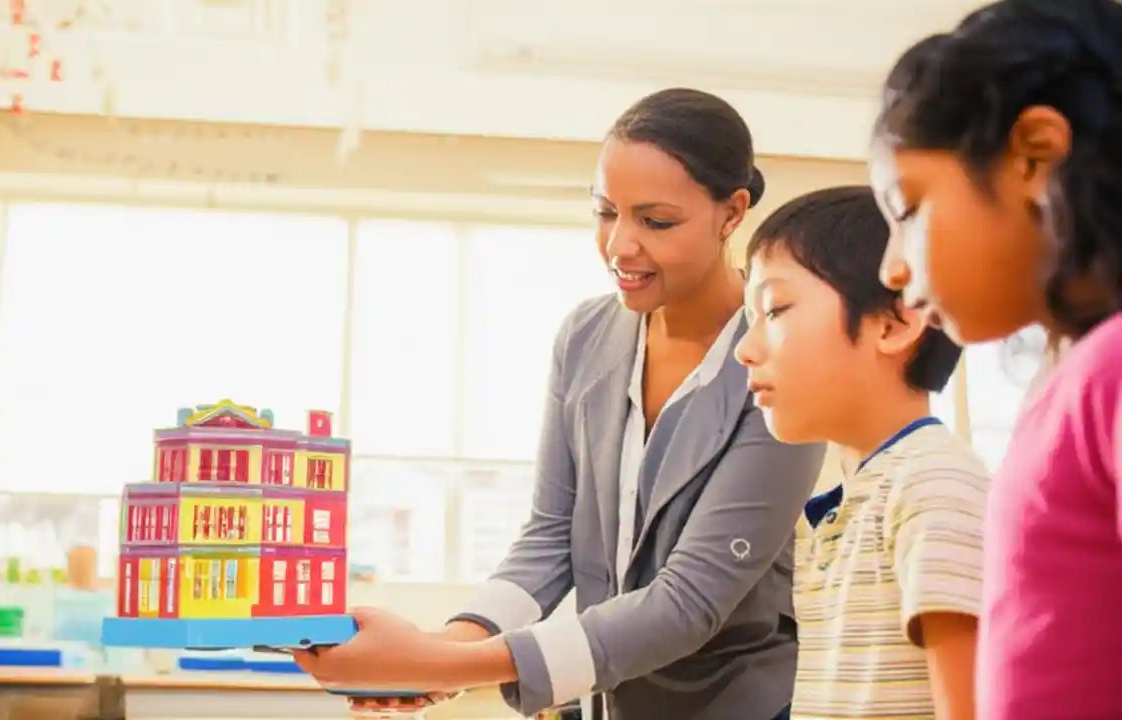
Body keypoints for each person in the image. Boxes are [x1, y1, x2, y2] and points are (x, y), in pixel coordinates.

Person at [293, 87, 827, 719]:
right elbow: (551, 533)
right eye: (606, 213)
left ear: (732, 212)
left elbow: (688, 602)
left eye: (656, 222)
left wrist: (439, 664)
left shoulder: (776, 358)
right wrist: (451, 642)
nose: (620, 247)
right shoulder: (586, 337)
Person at [871, 1, 1122, 717]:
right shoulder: (1075, 376)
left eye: (908, 208)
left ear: (1035, 156)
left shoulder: (1112, 369)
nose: (892, 267)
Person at [735, 186, 989, 720]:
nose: (746, 348)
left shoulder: (933, 483)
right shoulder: (843, 504)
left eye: (774, 309)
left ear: (893, 323)